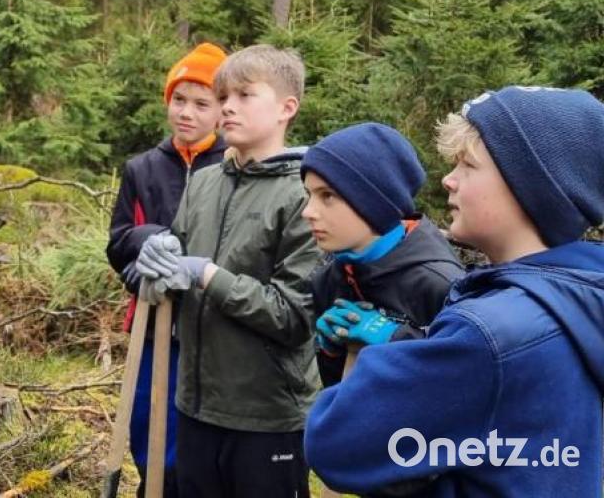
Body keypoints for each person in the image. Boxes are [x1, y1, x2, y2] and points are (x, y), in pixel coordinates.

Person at [306, 87, 604, 497]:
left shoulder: (489, 332)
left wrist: (382, 354)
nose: (448, 179)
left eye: (467, 164)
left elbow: (334, 444)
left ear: (528, 188)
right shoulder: (570, 301)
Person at [136, 44, 322, 498]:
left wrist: (207, 275)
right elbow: (175, 271)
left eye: (243, 95)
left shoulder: (305, 195)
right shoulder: (203, 182)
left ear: (286, 108)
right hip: (196, 406)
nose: (228, 108)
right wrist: (155, 262)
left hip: (267, 415)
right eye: (223, 98)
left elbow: (293, 317)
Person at [106, 42, 226, 496]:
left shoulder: (233, 166)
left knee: (194, 423)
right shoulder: (143, 168)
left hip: (211, 319)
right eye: (179, 100)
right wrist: (145, 245)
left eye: (201, 103)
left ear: (221, 111)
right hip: (154, 322)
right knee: (146, 415)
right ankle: (152, 485)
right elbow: (118, 240)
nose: (187, 113)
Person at [302, 123, 464, 388]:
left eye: (327, 196)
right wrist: (330, 352)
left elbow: (467, 380)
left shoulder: (440, 282)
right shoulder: (328, 279)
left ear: (373, 203)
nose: (308, 211)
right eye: (308, 195)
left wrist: (398, 338)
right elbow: (337, 391)